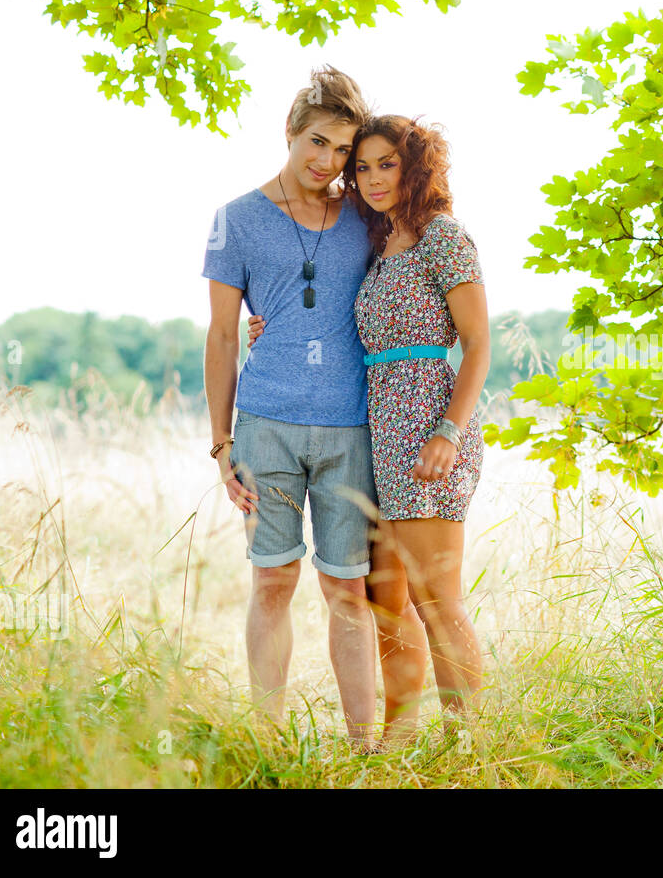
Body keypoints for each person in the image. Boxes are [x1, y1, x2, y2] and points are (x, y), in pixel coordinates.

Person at [247, 113, 490, 746]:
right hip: (375, 435)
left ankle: (470, 745)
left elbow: (479, 343)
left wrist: (448, 432)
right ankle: (398, 743)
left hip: (427, 433)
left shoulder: (443, 237)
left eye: (388, 163)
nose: (373, 177)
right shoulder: (379, 246)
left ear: (416, 167)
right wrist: (270, 328)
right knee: (387, 600)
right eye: (364, 166)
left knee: (438, 600)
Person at [202, 65, 380, 751]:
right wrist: (221, 446)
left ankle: (364, 748)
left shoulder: (366, 218)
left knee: (347, 591)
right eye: (318, 143)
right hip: (266, 425)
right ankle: (267, 742)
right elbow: (222, 335)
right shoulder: (235, 222)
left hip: (348, 428)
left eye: (342, 149)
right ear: (290, 132)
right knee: (273, 580)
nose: (328, 163)